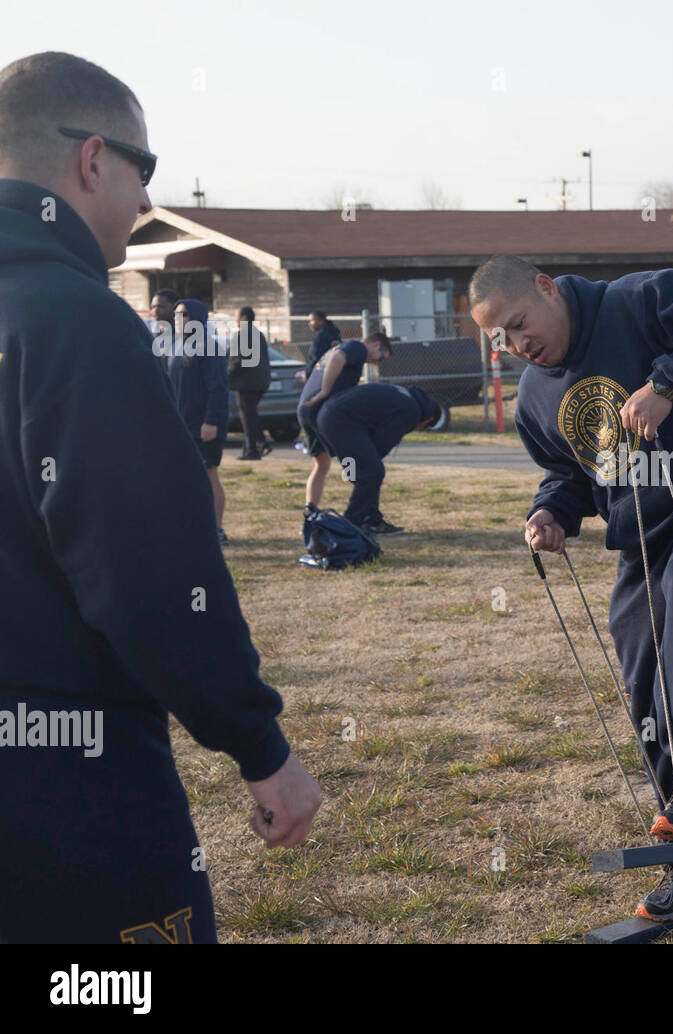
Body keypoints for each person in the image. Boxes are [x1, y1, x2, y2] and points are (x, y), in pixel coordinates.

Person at [0, 50, 320, 944]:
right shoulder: (72, 319)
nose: (146, 202)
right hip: (66, 779)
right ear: (92, 160)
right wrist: (261, 748)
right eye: (146, 169)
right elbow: (146, 574)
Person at [469, 254, 673, 923]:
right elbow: (569, 471)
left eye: (521, 323)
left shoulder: (636, 301)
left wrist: (667, 382)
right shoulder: (535, 400)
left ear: (548, 289)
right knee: (640, 650)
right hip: (642, 532)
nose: (519, 344)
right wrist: (550, 510)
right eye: (504, 339)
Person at [315, 382, 444, 533]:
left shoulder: (404, 395)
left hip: (327, 415)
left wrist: (354, 470)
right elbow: (381, 444)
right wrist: (364, 466)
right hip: (342, 421)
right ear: (428, 419)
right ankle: (351, 524)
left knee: (366, 473)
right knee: (372, 472)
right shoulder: (412, 411)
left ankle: (371, 520)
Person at [297, 330, 391, 515]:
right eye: (381, 356)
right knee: (351, 452)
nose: (377, 362)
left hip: (306, 410)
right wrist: (325, 391)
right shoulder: (357, 347)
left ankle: (311, 509)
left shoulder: (345, 348)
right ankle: (358, 494)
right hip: (322, 411)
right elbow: (338, 358)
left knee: (322, 464)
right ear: (376, 344)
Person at [168, 298, 230, 543]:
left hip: (204, 425)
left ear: (195, 318)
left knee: (208, 474)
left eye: (181, 314)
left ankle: (216, 530)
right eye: (175, 314)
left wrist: (211, 421)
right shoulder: (174, 346)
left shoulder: (208, 347)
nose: (176, 318)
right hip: (180, 424)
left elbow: (218, 389)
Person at [229, 305, 271, 460]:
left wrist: (227, 374)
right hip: (260, 381)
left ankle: (254, 448)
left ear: (245, 318)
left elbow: (239, 361)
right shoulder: (258, 334)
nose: (236, 320)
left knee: (247, 417)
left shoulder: (242, 335)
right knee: (251, 415)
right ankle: (256, 445)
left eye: (237, 317)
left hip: (247, 383)